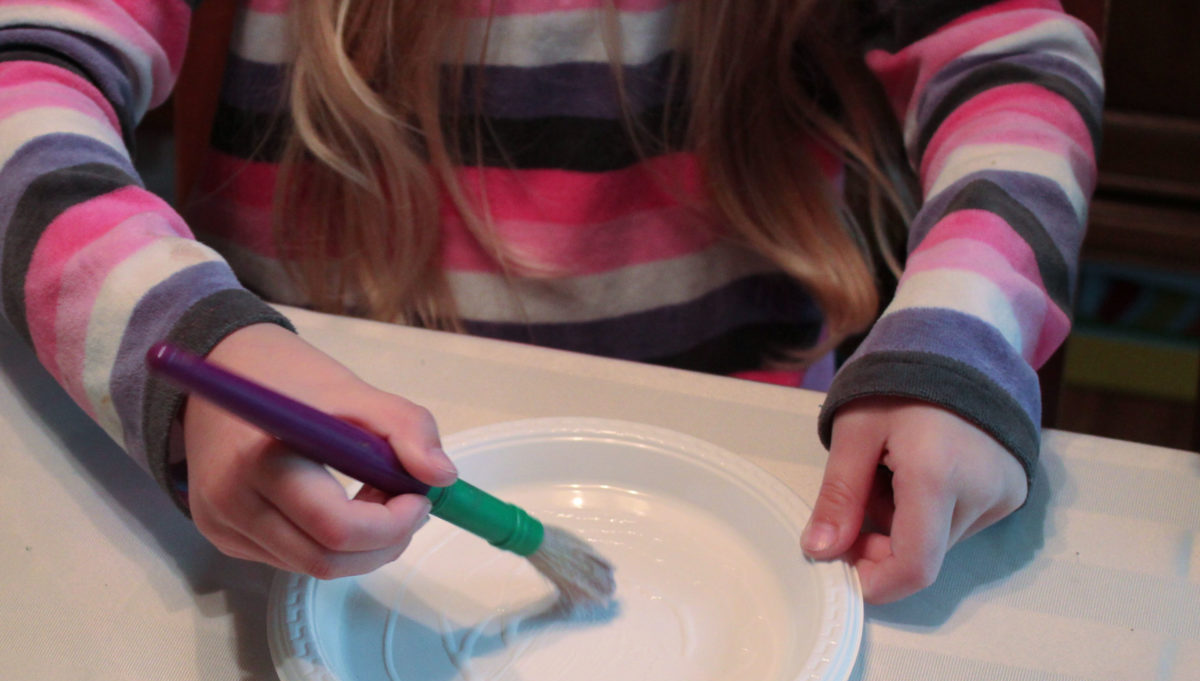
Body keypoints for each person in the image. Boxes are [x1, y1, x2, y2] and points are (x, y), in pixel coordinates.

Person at [0, 0, 1101, 603]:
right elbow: (20, 76)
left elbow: (1018, 59)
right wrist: (195, 344)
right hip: (303, 482)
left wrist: (968, 334)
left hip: (764, 484)